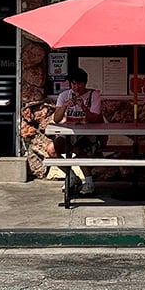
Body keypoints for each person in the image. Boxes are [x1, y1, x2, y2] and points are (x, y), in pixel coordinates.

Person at [46, 67, 103, 195]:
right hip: (70, 134)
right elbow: (56, 119)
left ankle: (89, 182)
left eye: (79, 84)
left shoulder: (93, 95)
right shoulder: (64, 95)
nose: (76, 87)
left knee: (79, 149)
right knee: (51, 149)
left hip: (89, 134)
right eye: (73, 84)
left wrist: (83, 107)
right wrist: (65, 105)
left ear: (85, 83)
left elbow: (94, 119)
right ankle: (71, 176)